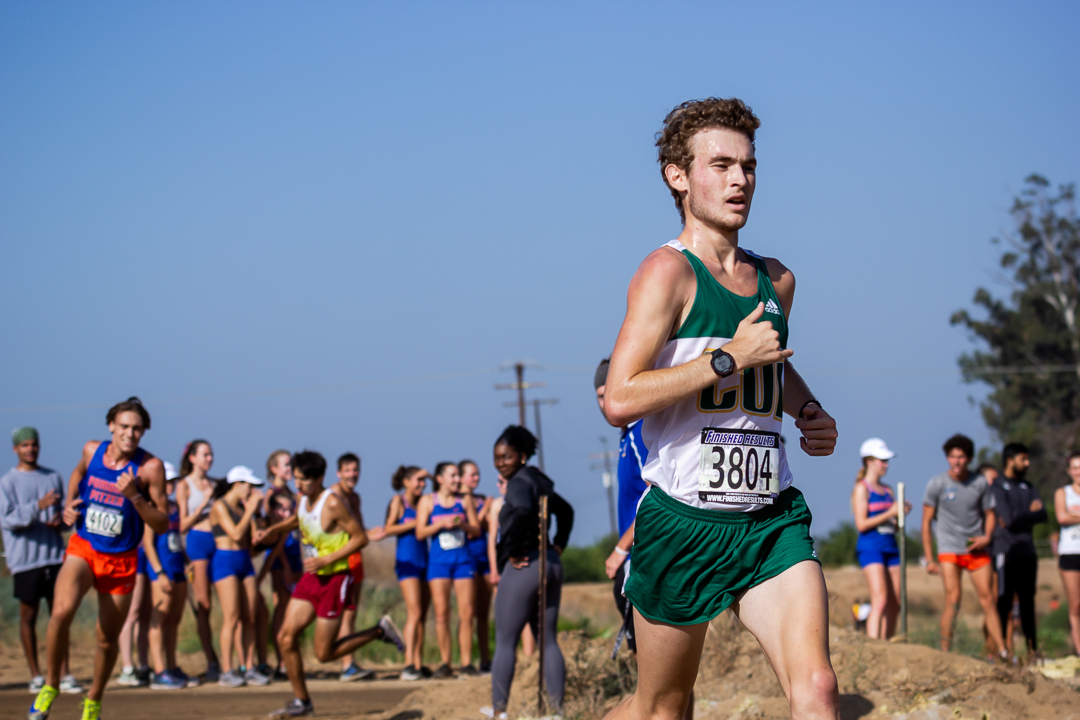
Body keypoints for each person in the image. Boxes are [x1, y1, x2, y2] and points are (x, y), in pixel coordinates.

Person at [601, 98, 840, 720]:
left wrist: (808, 408)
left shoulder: (777, 280)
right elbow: (620, 397)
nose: (740, 180)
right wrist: (728, 357)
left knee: (817, 689)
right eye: (722, 165)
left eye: (749, 166)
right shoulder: (665, 273)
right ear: (678, 176)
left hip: (769, 520)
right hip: (683, 522)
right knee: (664, 707)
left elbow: (772, 363)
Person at [31, 397, 169, 720]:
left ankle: (93, 700)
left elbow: (162, 522)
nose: (130, 434)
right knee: (61, 612)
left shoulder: (150, 468)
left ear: (143, 432)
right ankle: (51, 684)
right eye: (124, 427)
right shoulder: (92, 450)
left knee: (106, 640)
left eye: (137, 429)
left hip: (121, 560)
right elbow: (77, 475)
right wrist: (68, 504)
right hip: (84, 547)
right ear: (111, 426)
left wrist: (135, 496)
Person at [259, 450, 404, 718]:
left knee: (324, 654)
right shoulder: (302, 499)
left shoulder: (334, 503)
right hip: (311, 578)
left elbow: (360, 538)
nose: (298, 484)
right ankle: (302, 701)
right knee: (285, 638)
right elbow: (299, 518)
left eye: (303, 480)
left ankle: (378, 631)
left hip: (335, 579)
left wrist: (328, 560)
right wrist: (272, 530)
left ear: (320, 478)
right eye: (296, 479)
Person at [490, 425, 573, 716]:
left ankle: (499, 711)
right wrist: (558, 544)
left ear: (522, 456)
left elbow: (524, 511)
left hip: (525, 567)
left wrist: (513, 550)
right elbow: (566, 511)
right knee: (548, 639)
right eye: (497, 457)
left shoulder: (517, 482)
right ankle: (556, 712)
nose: (501, 463)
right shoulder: (540, 479)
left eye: (507, 457)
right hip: (550, 562)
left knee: (505, 642)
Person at [0, 427, 81, 694]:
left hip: (55, 557)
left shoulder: (53, 477)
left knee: (60, 614)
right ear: (16, 449)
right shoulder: (7, 482)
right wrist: (37, 507)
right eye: (25, 445)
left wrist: (63, 520)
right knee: (29, 615)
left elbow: (59, 515)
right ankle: (36, 674)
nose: (30, 449)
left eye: (34, 444)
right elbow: (8, 520)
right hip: (25, 561)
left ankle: (64, 673)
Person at [921, 434, 1007, 659]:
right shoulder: (937, 484)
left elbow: (990, 514)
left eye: (960, 457)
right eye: (952, 457)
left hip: (976, 548)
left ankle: (1003, 651)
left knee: (988, 599)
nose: (956, 461)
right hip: (949, 548)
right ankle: (945, 651)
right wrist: (930, 558)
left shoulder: (979, 483)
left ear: (968, 458)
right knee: (953, 598)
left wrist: (987, 536)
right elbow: (926, 522)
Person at [596, 358, 650, 656]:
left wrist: (621, 548)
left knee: (652, 662)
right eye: (600, 397)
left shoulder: (642, 429)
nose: (605, 404)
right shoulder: (625, 434)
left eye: (609, 392)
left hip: (643, 553)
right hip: (634, 553)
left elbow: (658, 490)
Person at [416, 462, 480, 678]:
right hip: (438, 563)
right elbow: (420, 532)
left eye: (458, 476)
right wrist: (440, 524)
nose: (457, 480)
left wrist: (462, 525)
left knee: (467, 613)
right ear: (440, 478)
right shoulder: (427, 501)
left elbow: (477, 529)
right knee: (442, 613)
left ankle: (467, 663)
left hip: (463, 562)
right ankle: (445, 663)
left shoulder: (465, 501)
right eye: (452, 476)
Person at [209, 465, 269, 687]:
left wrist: (256, 516)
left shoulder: (244, 509)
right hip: (225, 562)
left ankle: (249, 667)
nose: (252, 491)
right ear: (238, 484)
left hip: (245, 561)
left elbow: (252, 539)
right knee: (232, 617)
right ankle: (227, 669)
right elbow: (234, 533)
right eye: (249, 486)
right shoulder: (220, 506)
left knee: (250, 616)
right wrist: (250, 510)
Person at [370, 465, 431, 680]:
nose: (422, 485)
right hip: (407, 562)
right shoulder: (399, 502)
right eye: (418, 480)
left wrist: (429, 475)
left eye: (424, 481)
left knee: (422, 613)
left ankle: (418, 661)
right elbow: (389, 528)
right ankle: (407, 664)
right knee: (413, 612)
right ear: (405, 482)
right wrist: (417, 522)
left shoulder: (425, 503)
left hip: (425, 561)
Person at [990, 442, 1046, 661]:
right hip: (1006, 552)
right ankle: (1002, 651)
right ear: (1010, 460)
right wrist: (1026, 514)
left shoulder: (1028, 486)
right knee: (1003, 602)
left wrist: (1019, 516)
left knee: (1027, 603)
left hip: (1028, 552)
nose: (1027, 463)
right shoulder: (997, 486)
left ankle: (1033, 652)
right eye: (1023, 459)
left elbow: (1043, 515)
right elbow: (1009, 521)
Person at [850, 438, 909, 640]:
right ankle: (875, 644)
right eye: (882, 460)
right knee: (880, 600)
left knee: (896, 603)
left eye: (886, 460)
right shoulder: (862, 489)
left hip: (890, 546)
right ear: (869, 461)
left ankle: (888, 642)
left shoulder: (889, 490)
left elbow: (892, 524)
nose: (886, 464)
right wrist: (891, 511)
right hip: (871, 548)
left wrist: (900, 514)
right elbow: (862, 524)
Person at [174, 439, 221, 681]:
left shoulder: (216, 484)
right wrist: (204, 504)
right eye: (205, 454)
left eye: (211, 454)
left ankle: (235, 662)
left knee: (229, 604)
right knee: (204, 604)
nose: (209, 459)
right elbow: (180, 524)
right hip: (196, 542)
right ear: (192, 457)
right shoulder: (184, 485)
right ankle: (211, 660)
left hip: (219, 542)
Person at [330, 452, 374, 681]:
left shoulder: (355, 497)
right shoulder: (334, 496)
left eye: (355, 470)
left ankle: (350, 661)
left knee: (352, 612)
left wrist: (372, 534)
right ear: (339, 473)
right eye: (348, 470)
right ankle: (347, 663)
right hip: (342, 560)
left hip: (356, 559)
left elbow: (359, 529)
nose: (352, 474)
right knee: (345, 613)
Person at [486, 474, 536, 658]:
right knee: (504, 613)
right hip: (503, 562)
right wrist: (493, 569)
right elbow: (492, 539)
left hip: (522, 560)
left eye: (505, 481)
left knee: (526, 610)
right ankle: (507, 657)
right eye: (498, 481)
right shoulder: (496, 505)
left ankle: (528, 656)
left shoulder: (525, 502)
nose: (501, 485)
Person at [262, 449, 296, 679]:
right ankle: (281, 661)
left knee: (292, 609)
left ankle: (288, 658)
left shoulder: (292, 494)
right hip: (279, 557)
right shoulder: (270, 495)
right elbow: (273, 535)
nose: (290, 468)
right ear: (274, 468)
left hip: (295, 553)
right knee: (282, 608)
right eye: (285, 464)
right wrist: (284, 564)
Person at [459, 459, 493, 673]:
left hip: (485, 559)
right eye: (472, 474)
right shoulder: (460, 500)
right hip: (467, 558)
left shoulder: (481, 499)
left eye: (478, 474)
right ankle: (466, 660)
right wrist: (485, 509)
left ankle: (485, 658)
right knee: (467, 613)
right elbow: (476, 526)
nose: (476, 478)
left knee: (483, 613)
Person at [1053, 452, 1080, 654]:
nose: (1078, 472)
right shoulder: (1062, 493)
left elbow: (1069, 515)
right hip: (1070, 553)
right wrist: (1069, 516)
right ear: (1069, 471)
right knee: (1076, 605)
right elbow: (1062, 517)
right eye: (1075, 467)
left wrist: (1074, 515)